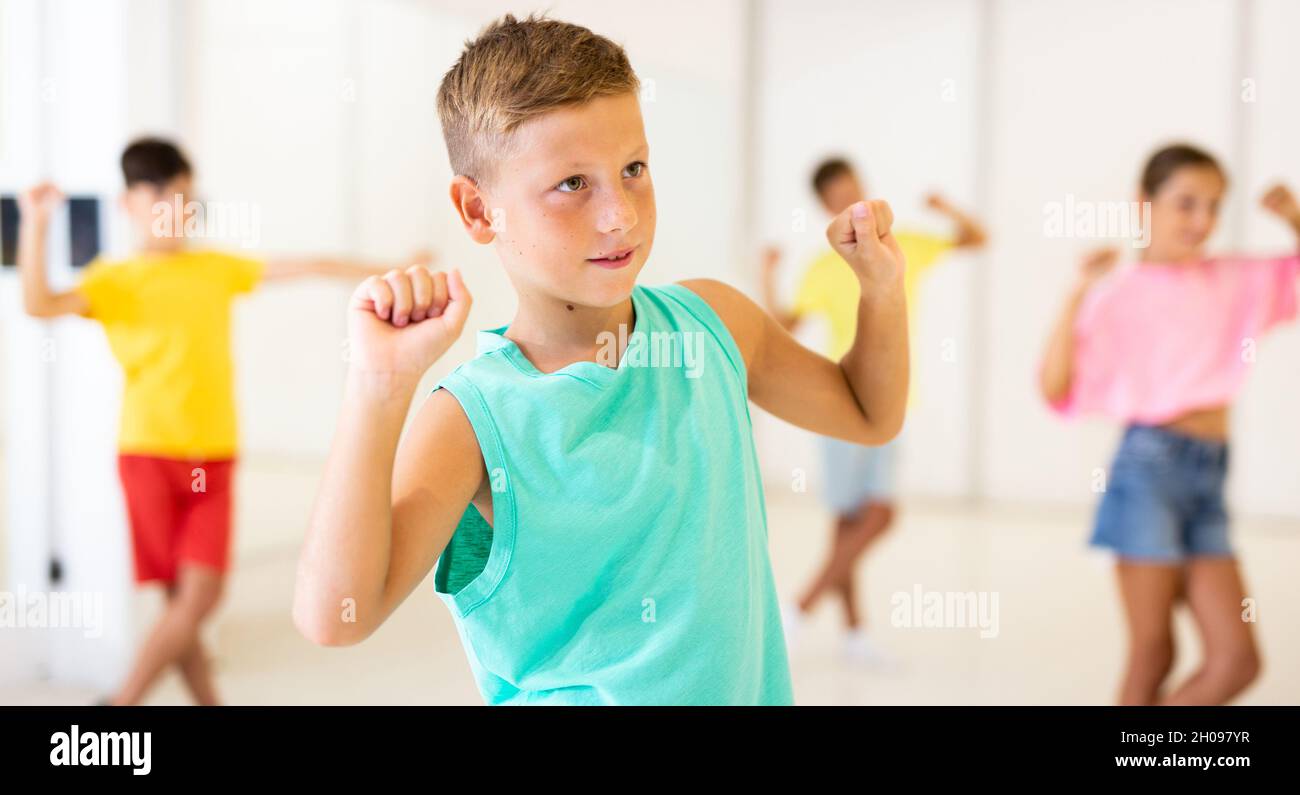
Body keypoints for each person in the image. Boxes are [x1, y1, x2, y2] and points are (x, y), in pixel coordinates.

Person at [292, 13, 911, 705]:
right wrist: (380, 385)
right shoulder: (475, 417)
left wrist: (882, 289)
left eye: (634, 169)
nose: (620, 213)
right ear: (477, 210)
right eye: (573, 184)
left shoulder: (715, 325)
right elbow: (336, 615)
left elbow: (868, 412)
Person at [17, 137, 423, 705]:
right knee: (181, 608)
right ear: (127, 204)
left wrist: (397, 269)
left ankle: (119, 705)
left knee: (199, 597)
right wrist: (37, 221)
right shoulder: (113, 280)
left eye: (186, 199)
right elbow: (39, 304)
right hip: (146, 456)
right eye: (161, 198)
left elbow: (312, 264)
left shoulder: (215, 268)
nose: (177, 213)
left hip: (215, 458)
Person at [1039, 142, 1300, 705]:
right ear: (1144, 204)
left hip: (1208, 477)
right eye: (1186, 203)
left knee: (1237, 661)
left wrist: (1295, 218)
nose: (1203, 220)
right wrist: (1075, 293)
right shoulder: (1117, 295)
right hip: (1148, 471)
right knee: (1153, 653)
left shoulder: (1236, 279)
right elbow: (1055, 388)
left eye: (1214, 205)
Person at [761, 157, 987, 666]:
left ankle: (832, 624)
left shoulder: (900, 246)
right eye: (838, 193)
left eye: (854, 187)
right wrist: (767, 274)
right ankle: (810, 613)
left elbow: (977, 238)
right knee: (862, 519)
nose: (850, 198)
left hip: (893, 399)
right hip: (841, 402)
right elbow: (783, 328)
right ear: (824, 204)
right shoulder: (822, 267)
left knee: (865, 519)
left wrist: (944, 205)